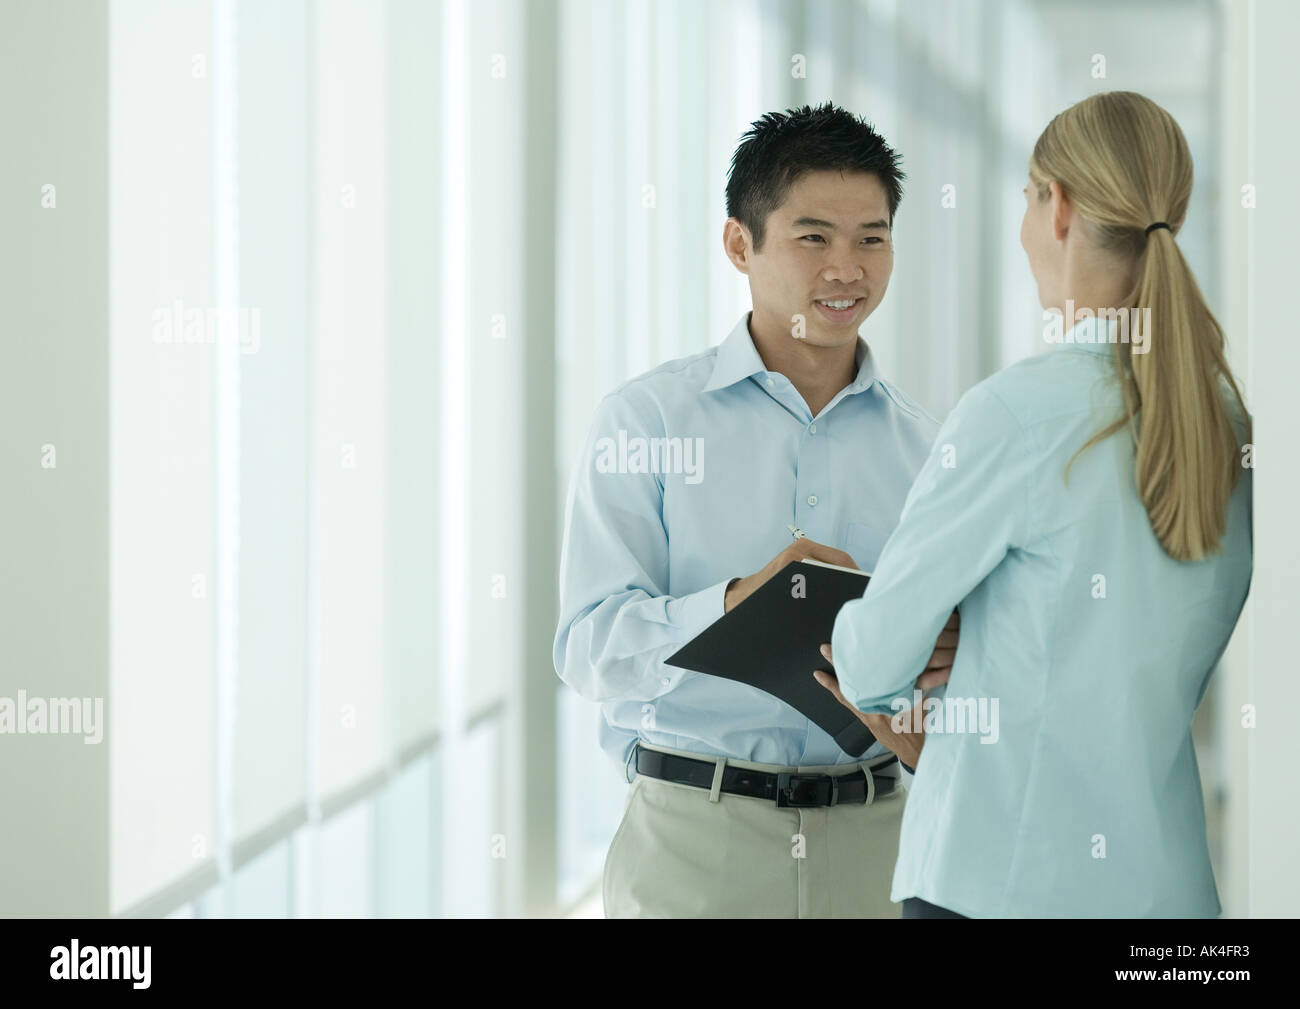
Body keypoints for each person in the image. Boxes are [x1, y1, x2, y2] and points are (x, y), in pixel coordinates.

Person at [816, 90, 1252, 918]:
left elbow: (872, 666)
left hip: (999, 888)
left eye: (1025, 197)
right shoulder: (1226, 424)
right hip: (1172, 902)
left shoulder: (1016, 415)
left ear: (1059, 208)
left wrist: (876, 630)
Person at [553, 103, 957, 918]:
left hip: (876, 839)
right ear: (740, 243)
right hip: (694, 847)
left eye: (871, 238)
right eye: (814, 236)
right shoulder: (649, 422)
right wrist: (740, 605)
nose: (847, 267)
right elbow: (588, 647)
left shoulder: (934, 450)